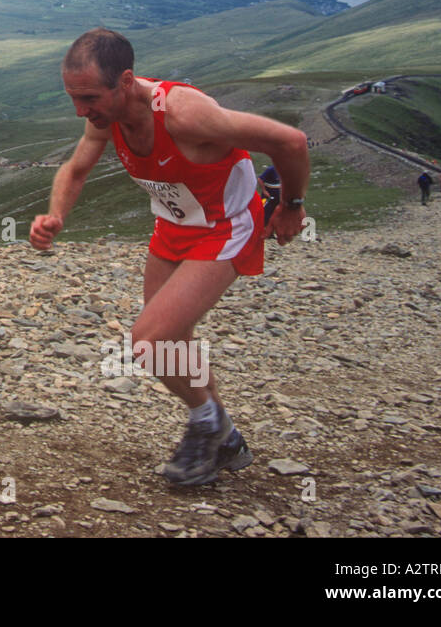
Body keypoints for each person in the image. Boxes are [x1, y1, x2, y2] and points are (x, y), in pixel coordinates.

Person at [29, 28, 309, 486]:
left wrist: (291, 206)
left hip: (225, 228)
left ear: (125, 80)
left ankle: (207, 424)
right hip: (171, 228)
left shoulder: (186, 115)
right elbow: (75, 168)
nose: (81, 110)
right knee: (168, 341)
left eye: (89, 98)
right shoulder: (105, 116)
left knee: (151, 337)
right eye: (73, 99)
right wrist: (56, 215)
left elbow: (291, 141)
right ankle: (226, 437)